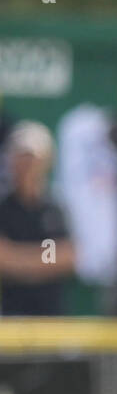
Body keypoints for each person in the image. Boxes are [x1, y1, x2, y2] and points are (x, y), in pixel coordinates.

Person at [0, 121, 78, 315]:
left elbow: (67, 257)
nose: (26, 165)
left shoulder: (55, 208)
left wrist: (18, 260)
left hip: (51, 319)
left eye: (32, 158)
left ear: (46, 161)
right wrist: (42, 260)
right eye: (21, 157)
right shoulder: (4, 208)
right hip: (11, 318)